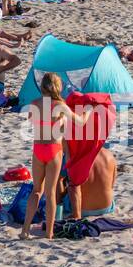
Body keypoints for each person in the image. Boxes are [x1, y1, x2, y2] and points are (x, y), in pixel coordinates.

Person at [22, 72, 90, 240]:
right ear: (58, 87)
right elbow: (80, 122)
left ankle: (24, 230)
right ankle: (49, 232)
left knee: (36, 191)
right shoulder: (60, 105)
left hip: (38, 149)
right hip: (53, 149)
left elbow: (32, 120)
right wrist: (88, 110)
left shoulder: (34, 104)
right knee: (50, 192)